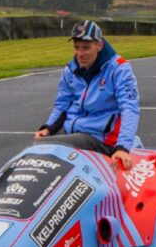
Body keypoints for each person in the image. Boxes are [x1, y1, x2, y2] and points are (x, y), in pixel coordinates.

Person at [34, 20, 141, 168]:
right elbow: (62, 104)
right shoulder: (70, 70)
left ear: (99, 45)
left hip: (102, 138)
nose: (80, 54)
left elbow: (130, 108)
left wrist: (122, 147)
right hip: (73, 134)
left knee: (51, 145)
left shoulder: (119, 68)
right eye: (76, 47)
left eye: (86, 48)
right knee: (39, 147)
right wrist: (48, 128)